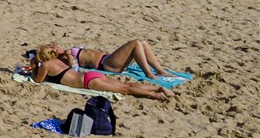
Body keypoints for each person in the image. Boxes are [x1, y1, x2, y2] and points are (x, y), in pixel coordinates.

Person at [24, 46, 172, 100]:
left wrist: (33, 66)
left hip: (89, 82)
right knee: (126, 85)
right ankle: (159, 88)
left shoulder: (46, 65)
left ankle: (156, 95)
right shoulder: (57, 61)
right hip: (92, 75)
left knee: (125, 90)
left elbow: (38, 80)